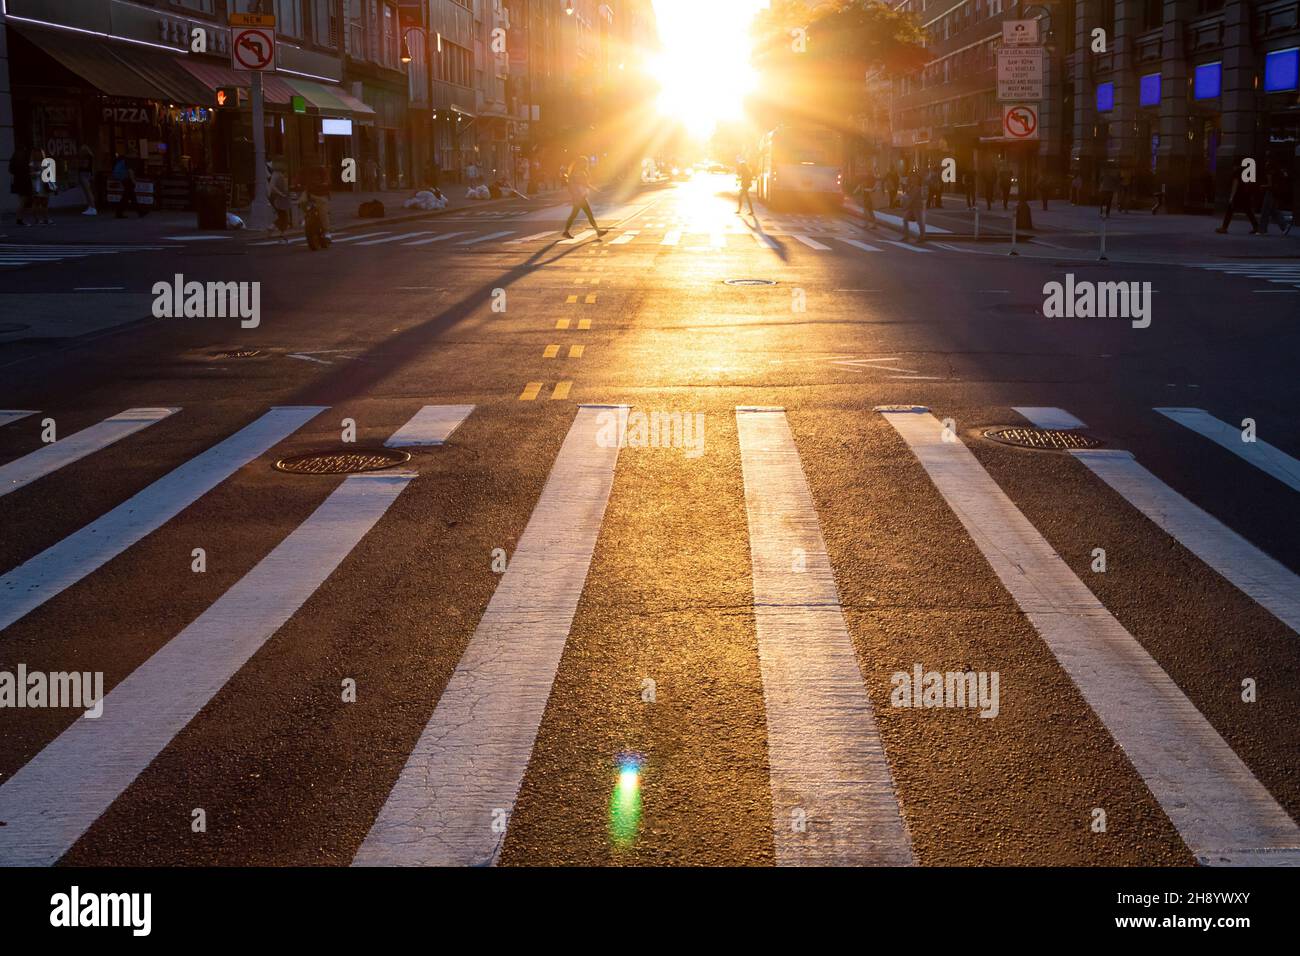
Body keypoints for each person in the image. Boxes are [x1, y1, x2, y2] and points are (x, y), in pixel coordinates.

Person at [562, 156, 606, 239]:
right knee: (588, 214)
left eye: (586, 162)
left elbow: (581, 184)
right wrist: (596, 190)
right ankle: (598, 231)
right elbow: (584, 184)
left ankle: (566, 232)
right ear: (580, 163)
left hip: (580, 196)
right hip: (579, 197)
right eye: (585, 162)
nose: (586, 164)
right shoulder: (578, 173)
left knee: (574, 215)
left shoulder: (578, 172)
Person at [1258, 164, 1292, 235]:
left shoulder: (1269, 170)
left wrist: (1262, 186)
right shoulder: (1276, 170)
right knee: (1274, 211)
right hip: (1275, 192)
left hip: (1270, 192)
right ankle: (1284, 226)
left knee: (1265, 210)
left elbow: (1270, 185)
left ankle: (1262, 230)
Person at [299, 164, 331, 239]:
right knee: (302, 201)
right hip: (308, 192)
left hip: (320, 193)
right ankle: (306, 216)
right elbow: (298, 178)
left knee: (323, 212)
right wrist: (295, 184)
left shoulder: (321, 170)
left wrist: (325, 183)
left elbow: (327, 179)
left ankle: (327, 231)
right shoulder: (304, 169)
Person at [267, 161, 292, 241]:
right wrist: (280, 193)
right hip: (277, 197)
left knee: (283, 215)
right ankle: (276, 229)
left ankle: (277, 230)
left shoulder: (278, 174)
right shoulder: (276, 175)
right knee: (283, 215)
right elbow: (272, 186)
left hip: (280, 196)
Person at [9, 146, 34, 226]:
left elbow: (10, 170)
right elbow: (30, 169)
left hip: (17, 180)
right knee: (23, 201)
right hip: (25, 180)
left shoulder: (14, 158)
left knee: (21, 200)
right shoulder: (26, 157)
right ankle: (19, 219)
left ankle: (19, 218)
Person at [900, 171, 926, 244]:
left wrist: (905, 207)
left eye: (914, 178)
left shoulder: (918, 187)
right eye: (912, 177)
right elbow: (907, 195)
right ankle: (906, 236)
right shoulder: (911, 186)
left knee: (919, 222)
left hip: (917, 206)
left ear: (917, 179)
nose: (913, 179)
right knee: (905, 220)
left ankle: (922, 236)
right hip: (911, 206)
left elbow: (911, 198)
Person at [29, 148, 53, 225]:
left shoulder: (44, 163)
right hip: (38, 184)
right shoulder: (33, 163)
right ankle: (40, 219)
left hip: (43, 184)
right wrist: (40, 172)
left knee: (42, 202)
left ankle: (44, 218)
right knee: (38, 202)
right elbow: (31, 174)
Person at [77, 144, 97, 216]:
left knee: (88, 192)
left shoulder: (86, 157)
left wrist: (79, 164)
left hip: (84, 174)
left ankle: (92, 207)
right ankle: (91, 207)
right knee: (88, 191)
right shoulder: (91, 156)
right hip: (88, 174)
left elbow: (85, 165)